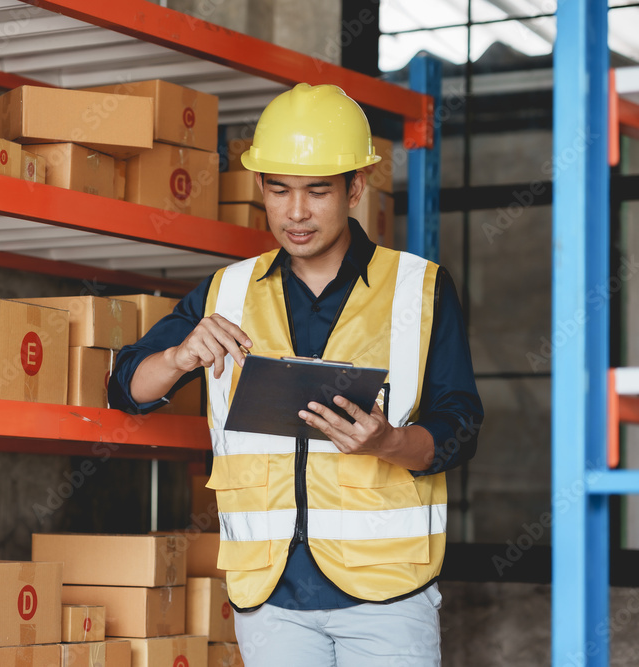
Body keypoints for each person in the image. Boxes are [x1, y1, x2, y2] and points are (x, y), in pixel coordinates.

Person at [108, 83, 483, 666]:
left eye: (317, 191)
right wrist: (178, 357)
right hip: (270, 598)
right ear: (260, 187)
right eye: (278, 190)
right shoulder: (226, 291)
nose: (296, 212)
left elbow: (461, 428)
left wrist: (388, 441)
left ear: (356, 186)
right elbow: (126, 391)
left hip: (387, 595)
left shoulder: (421, 288)